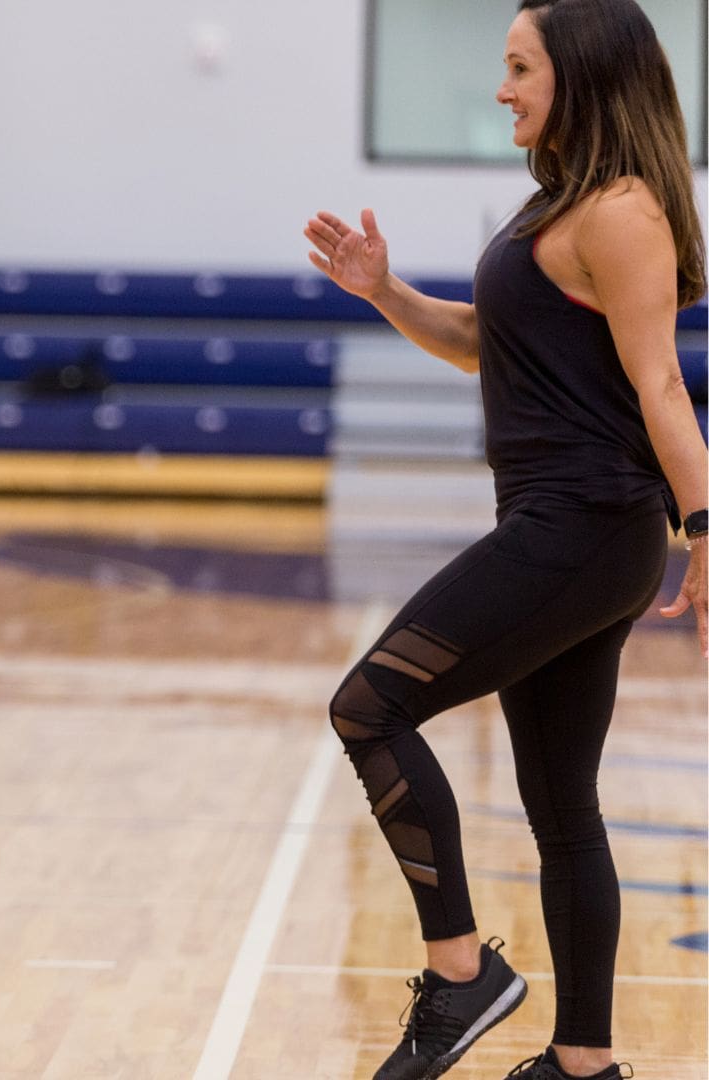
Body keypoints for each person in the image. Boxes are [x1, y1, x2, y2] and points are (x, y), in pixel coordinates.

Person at [303, 2, 706, 1076]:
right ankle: (586, 1064)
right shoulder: (560, 206)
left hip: (583, 527)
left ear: (577, 76)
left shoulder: (622, 211)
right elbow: (490, 344)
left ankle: (461, 974)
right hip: (571, 529)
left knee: (368, 706)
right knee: (562, 805)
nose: (503, 88)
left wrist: (707, 525)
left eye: (519, 67)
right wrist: (382, 290)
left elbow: (663, 381)